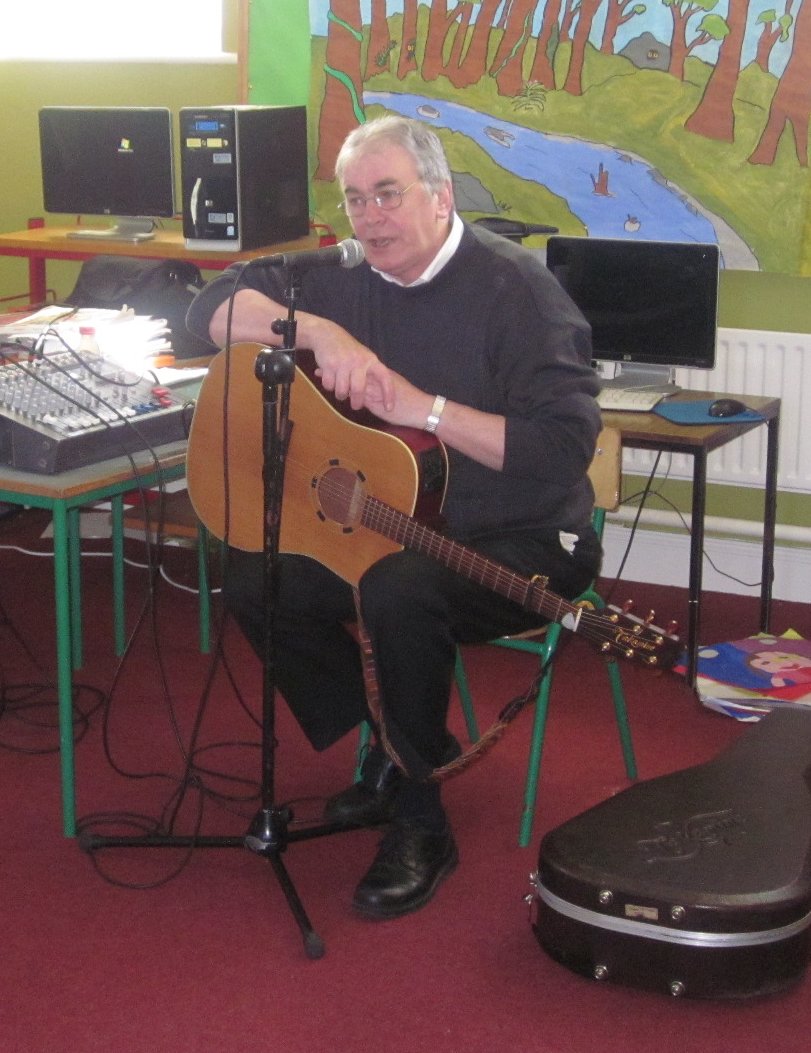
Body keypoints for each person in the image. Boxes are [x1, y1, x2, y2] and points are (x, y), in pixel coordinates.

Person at [185, 114, 604, 919]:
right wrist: (319, 330)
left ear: (441, 199)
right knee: (251, 571)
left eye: (388, 195)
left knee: (399, 588)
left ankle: (420, 816)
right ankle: (393, 741)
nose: (370, 218)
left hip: (522, 538)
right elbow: (206, 307)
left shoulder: (518, 292)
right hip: (390, 521)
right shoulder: (339, 276)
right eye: (354, 200)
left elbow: (560, 453)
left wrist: (428, 408)